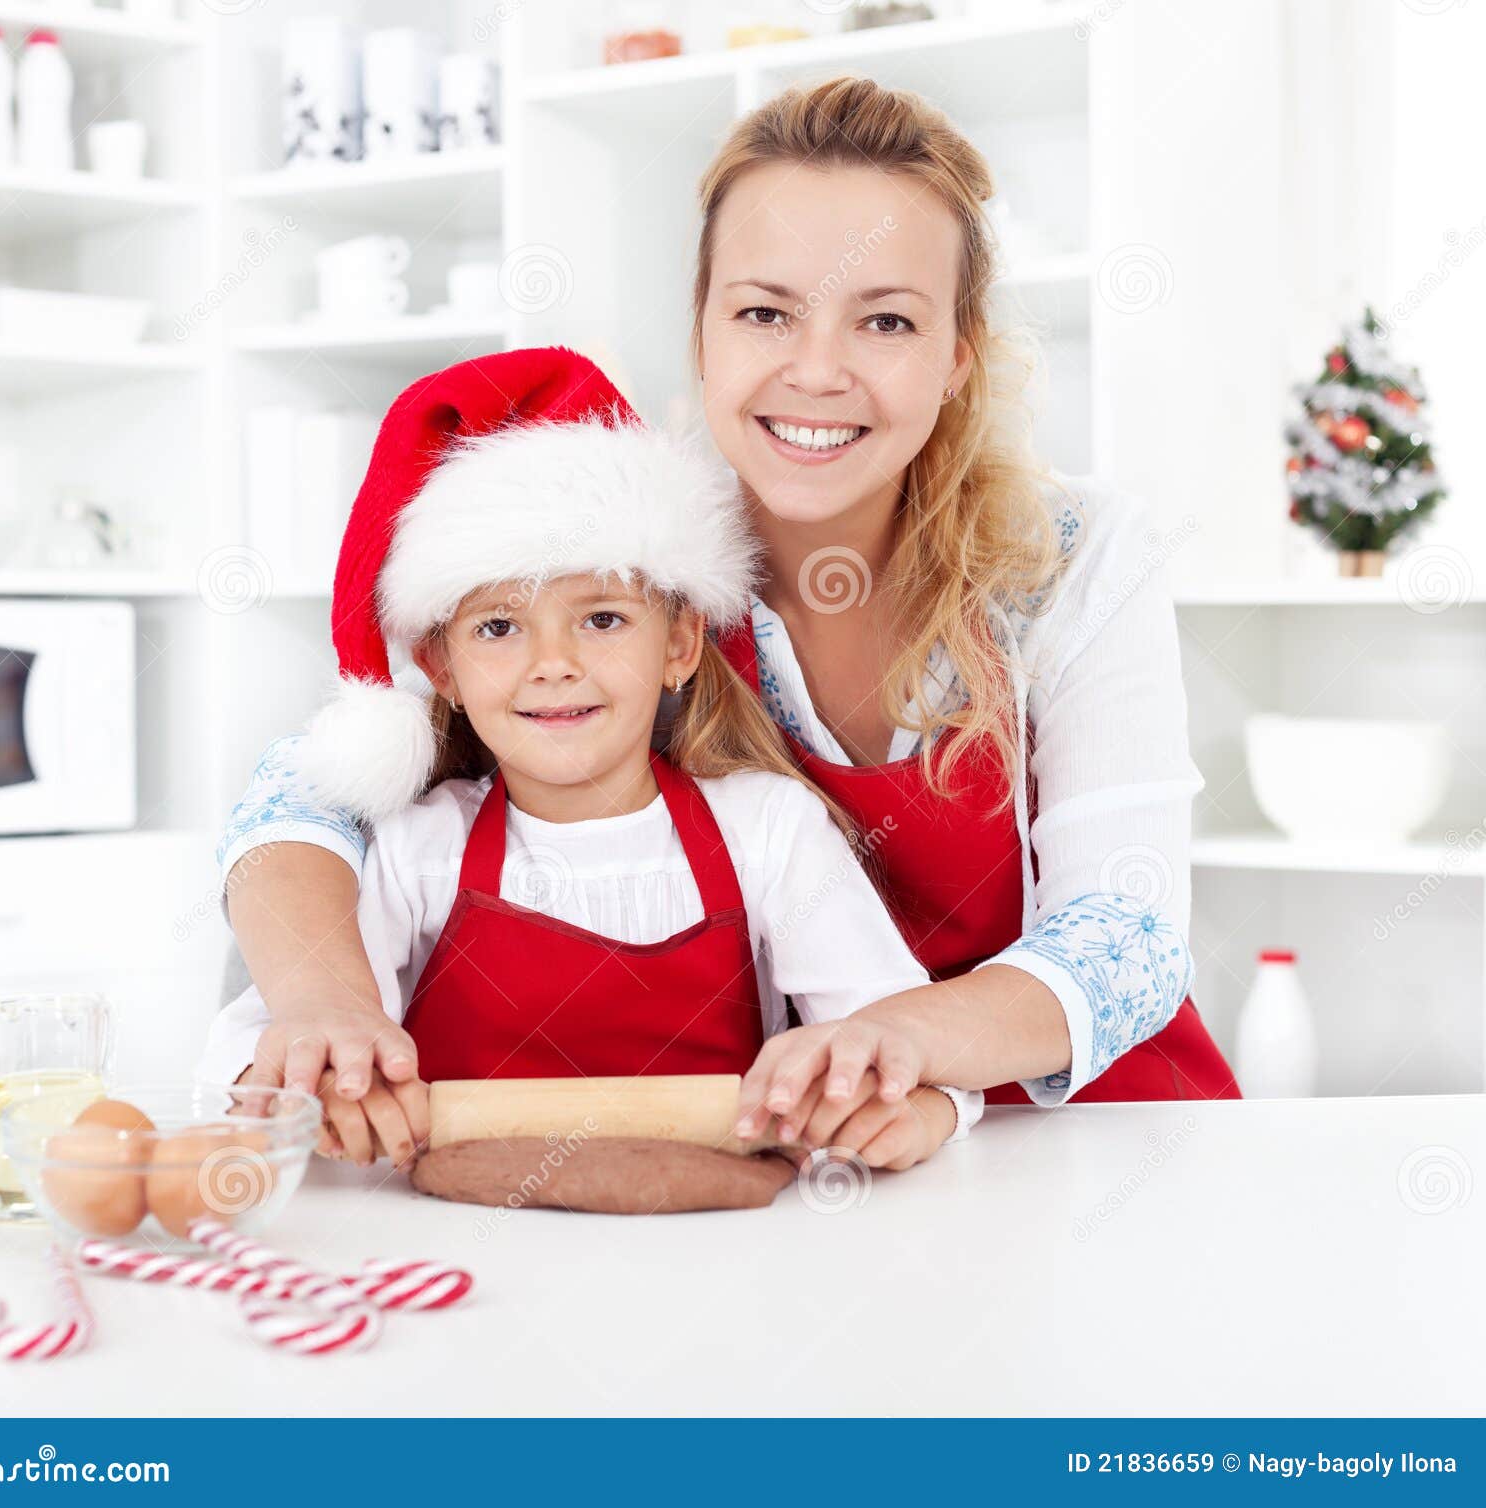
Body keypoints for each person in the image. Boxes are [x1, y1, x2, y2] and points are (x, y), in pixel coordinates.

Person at [217, 76, 1239, 1170]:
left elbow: (1127, 939)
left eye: (885, 319)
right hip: (816, 1162)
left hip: (1103, 1143)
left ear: (956, 357)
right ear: (702, 332)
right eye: (764, 311)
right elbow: (306, 790)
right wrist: (327, 1001)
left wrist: (896, 1040)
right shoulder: (616, 549)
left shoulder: (1073, 558)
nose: (814, 369)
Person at [196, 346, 981, 1172]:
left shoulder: (768, 830)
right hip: (464, 1249)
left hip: (724, 1254)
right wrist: (308, 1079)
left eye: (602, 619)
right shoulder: (420, 848)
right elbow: (254, 1048)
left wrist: (920, 1109)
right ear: (442, 670)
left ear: (679, 642)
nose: (553, 664)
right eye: (498, 628)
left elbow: (895, 1032)